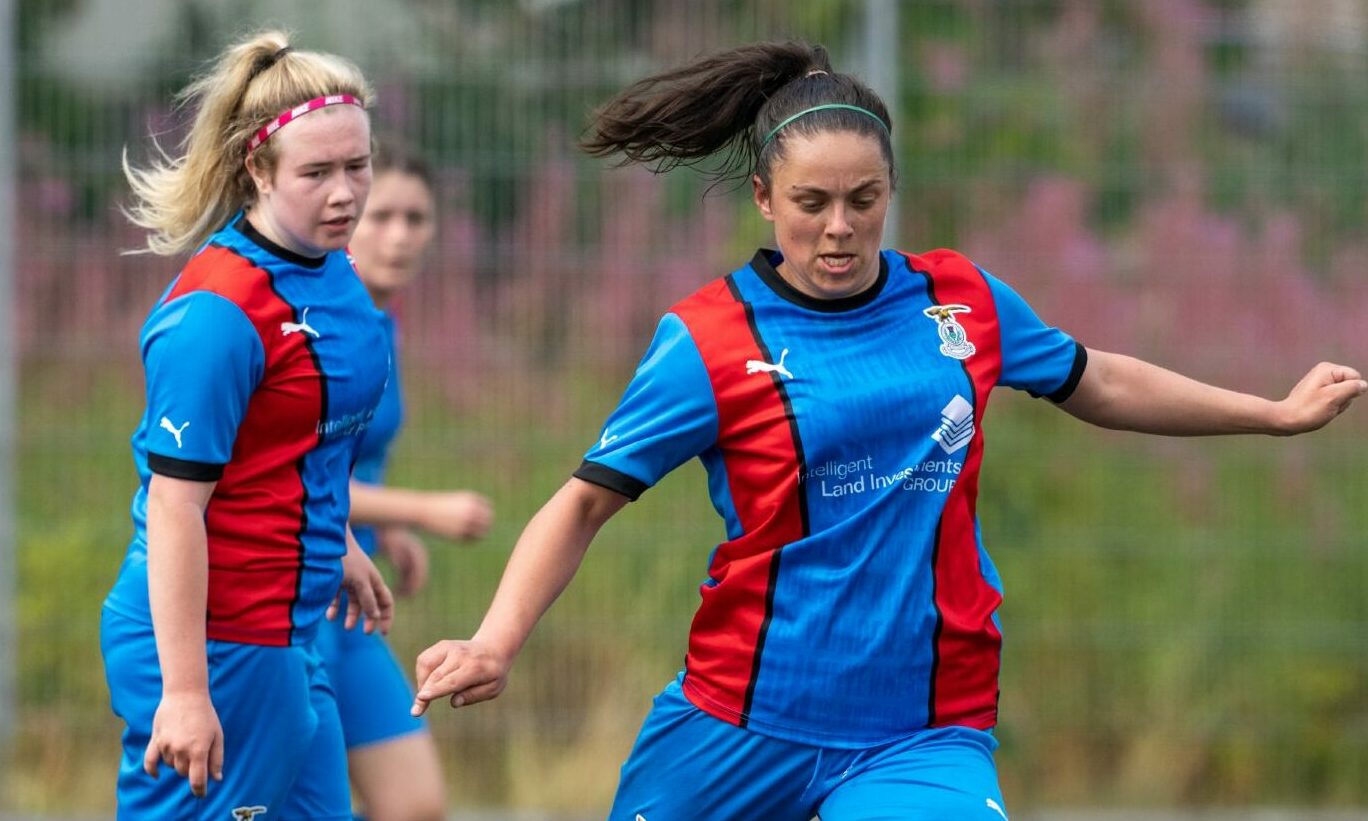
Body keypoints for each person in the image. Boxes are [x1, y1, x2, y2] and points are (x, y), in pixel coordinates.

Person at [409, 41, 1366, 820]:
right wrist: (496, 640)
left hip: (924, 727)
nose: (838, 228)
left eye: (863, 201)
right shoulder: (710, 339)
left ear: (891, 190)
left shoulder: (961, 299)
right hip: (738, 717)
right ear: (762, 199)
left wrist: (1271, 414)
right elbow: (582, 505)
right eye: (810, 203)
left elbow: (1096, 376)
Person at [101, 30, 395, 820]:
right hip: (217, 644)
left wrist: (336, 545)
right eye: (317, 173)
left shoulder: (335, 271)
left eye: (358, 166)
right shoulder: (219, 315)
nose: (346, 194)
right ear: (255, 171)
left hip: (289, 632)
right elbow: (174, 507)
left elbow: (293, 447)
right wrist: (187, 691)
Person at [315, 139, 494, 821]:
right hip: (296, 602)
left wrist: (383, 525)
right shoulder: (323, 321)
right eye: (380, 215)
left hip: (352, 602)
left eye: (415, 218)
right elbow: (291, 474)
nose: (398, 235)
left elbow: (346, 458)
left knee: (414, 805)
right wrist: (423, 508)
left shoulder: (377, 322)